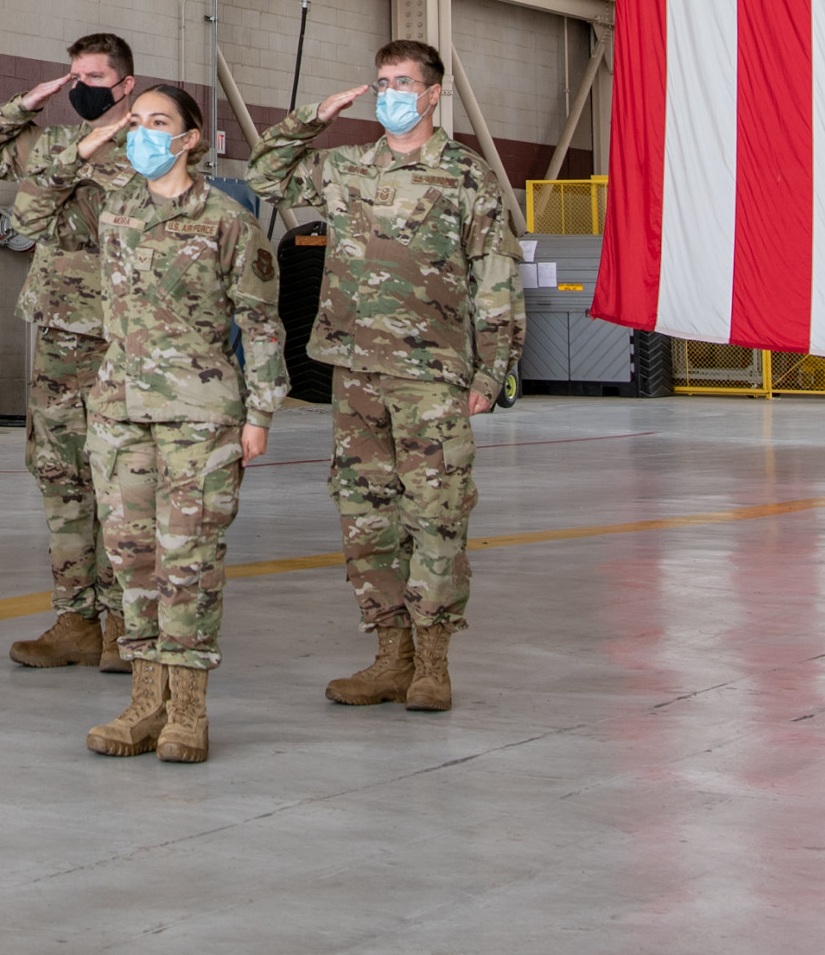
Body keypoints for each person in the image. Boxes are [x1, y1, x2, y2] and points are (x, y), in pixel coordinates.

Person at [248, 38, 523, 714]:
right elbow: (263, 175)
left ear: (432, 94)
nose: (391, 94)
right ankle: (388, 655)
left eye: (403, 83)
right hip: (356, 370)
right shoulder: (345, 167)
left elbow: (495, 276)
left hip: (432, 374)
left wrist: (494, 367)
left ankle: (432, 661)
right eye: (382, 83)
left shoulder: (464, 175)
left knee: (436, 514)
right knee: (365, 516)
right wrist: (315, 115)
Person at [52, 82, 284, 765]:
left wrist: (261, 411)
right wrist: (97, 132)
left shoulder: (226, 218)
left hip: (199, 413)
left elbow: (260, 321)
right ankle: (144, 704)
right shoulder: (113, 209)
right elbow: (43, 184)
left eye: (159, 123)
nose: (143, 133)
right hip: (121, 413)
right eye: (136, 122)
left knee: (188, 563)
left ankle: (187, 712)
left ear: (189, 139)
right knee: (132, 563)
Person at [0, 29, 138, 672]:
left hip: (124, 335)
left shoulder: (152, 144)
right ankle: (75, 618)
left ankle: (124, 623)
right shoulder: (53, 141)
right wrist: (26, 103)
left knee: (121, 481)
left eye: (93, 80)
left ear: (125, 83)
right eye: (74, 78)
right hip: (61, 333)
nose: (81, 90)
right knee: (60, 476)